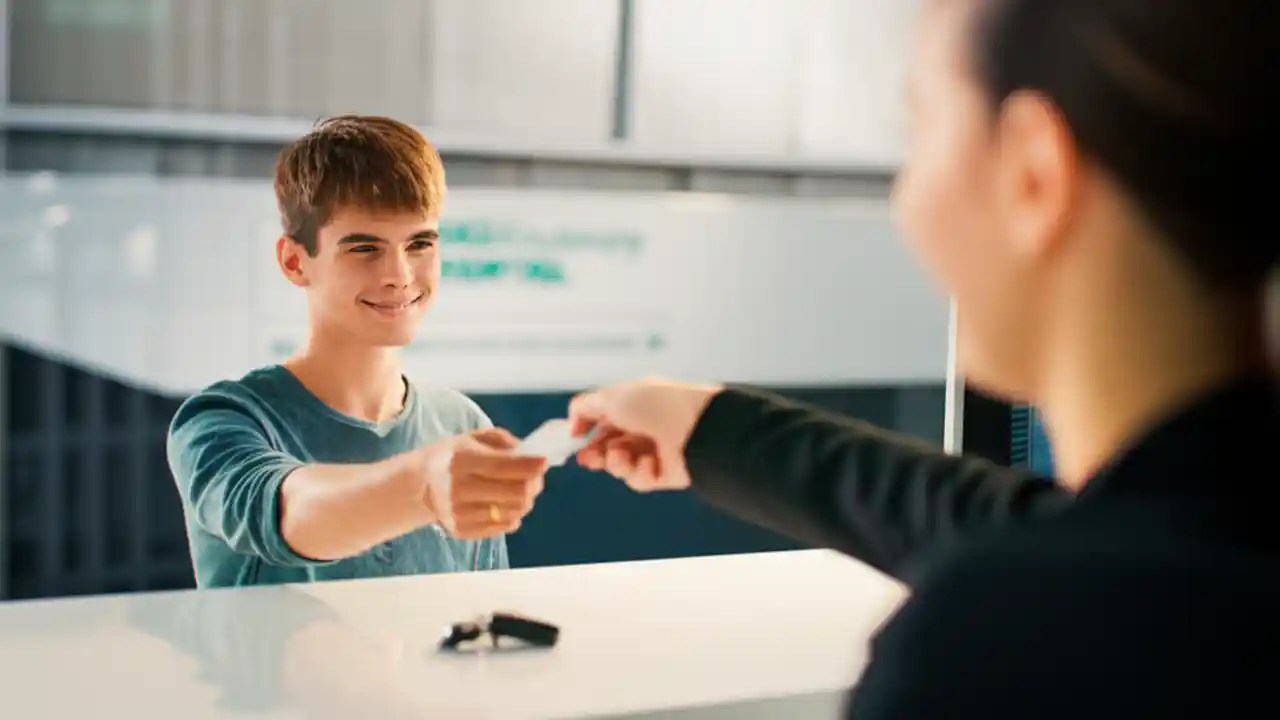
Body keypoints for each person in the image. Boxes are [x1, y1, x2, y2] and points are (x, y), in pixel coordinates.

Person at [568, 0, 1278, 716]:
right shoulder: (1216, 552)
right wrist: (714, 431)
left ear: (1033, 172)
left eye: (922, 128)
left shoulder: (999, 650)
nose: (907, 201)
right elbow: (1037, 525)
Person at [168, 116, 547, 589]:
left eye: (420, 243)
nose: (399, 274)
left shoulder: (462, 424)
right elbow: (289, 513)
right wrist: (424, 485)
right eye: (365, 248)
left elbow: (481, 617)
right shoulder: (221, 421)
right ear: (294, 261)